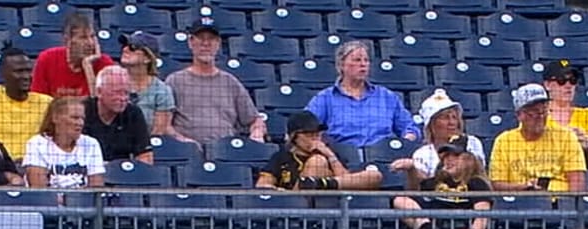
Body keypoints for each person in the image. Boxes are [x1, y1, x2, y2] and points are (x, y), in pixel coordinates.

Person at [394, 134, 493, 229]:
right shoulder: (435, 182)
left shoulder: (477, 183)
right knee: (401, 201)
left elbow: (482, 216)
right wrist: (411, 169)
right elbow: (414, 191)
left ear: (471, 159)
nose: (448, 159)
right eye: (446, 155)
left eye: (455, 156)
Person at [164, 17, 264, 148]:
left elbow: (254, 119)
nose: (206, 44)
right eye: (201, 38)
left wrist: (257, 132)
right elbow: (164, 125)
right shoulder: (174, 81)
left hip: (226, 151)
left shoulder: (230, 82)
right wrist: (183, 141)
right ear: (190, 42)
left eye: (211, 39)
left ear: (218, 43)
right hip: (188, 152)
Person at [305, 40, 418, 149]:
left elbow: (409, 128)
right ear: (341, 65)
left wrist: (407, 140)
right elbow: (304, 127)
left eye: (366, 60)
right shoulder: (325, 98)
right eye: (357, 60)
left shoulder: (387, 97)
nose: (363, 64)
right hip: (342, 159)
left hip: (384, 158)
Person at [488, 83, 586, 193]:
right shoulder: (504, 141)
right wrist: (524, 187)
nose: (540, 117)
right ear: (519, 115)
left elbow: (577, 181)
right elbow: (497, 184)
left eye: (543, 111)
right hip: (520, 202)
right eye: (533, 112)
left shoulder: (566, 137)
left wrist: (570, 206)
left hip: (559, 202)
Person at [256, 109, 381, 191]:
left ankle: (321, 183)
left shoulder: (331, 154)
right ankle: (312, 183)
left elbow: (346, 180)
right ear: (294, 137)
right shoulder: (281, 157)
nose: (315, 138)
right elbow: (262, 185)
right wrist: (278, 191)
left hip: (328, 205)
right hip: (296, 203)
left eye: (317, 134)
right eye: (309, 135)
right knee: (317, 161)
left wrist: (330, 155)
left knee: (374, 176)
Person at [388, 88, 486, 185]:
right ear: (431, 124)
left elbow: (478, 174)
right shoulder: (422, 154)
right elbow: (421, 189)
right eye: (445, 118)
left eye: (454, 117)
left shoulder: (472, 142)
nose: (452, 123)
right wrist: (412, 169)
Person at [0, 46, 51, 162]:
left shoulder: (46, 103)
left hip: (32, 164)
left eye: (28, 71)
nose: (26, 76)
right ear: (3, 73)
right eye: (19, 71)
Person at [24, 96, 104, 189]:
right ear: (55, 118)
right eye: (75, 117)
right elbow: (39, 189)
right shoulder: (37, 143)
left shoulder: (91, 144)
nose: (80, 123)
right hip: (48, 203)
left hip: (82, 202)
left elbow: (96, 190)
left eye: (82, 118)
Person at [32, 11, 112, 99]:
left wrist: (88, 67)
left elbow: (99, 106)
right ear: (67, 41)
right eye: (83, 37)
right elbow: (38, 101)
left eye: (92, 36)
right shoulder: (47, 59)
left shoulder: (104, 63)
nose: (90, 43)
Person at [542, 60, 588, 165]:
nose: (568, 86)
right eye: (561, 80)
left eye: (572, 80)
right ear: (548, 85)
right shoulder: (537, 116)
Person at [84, 66, 151, 163]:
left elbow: (145, 155)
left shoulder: (134, 113)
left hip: (121, 174)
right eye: (117, 92)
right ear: (99, 92)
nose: (123, 98)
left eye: (126, 93)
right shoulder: (82, 112)